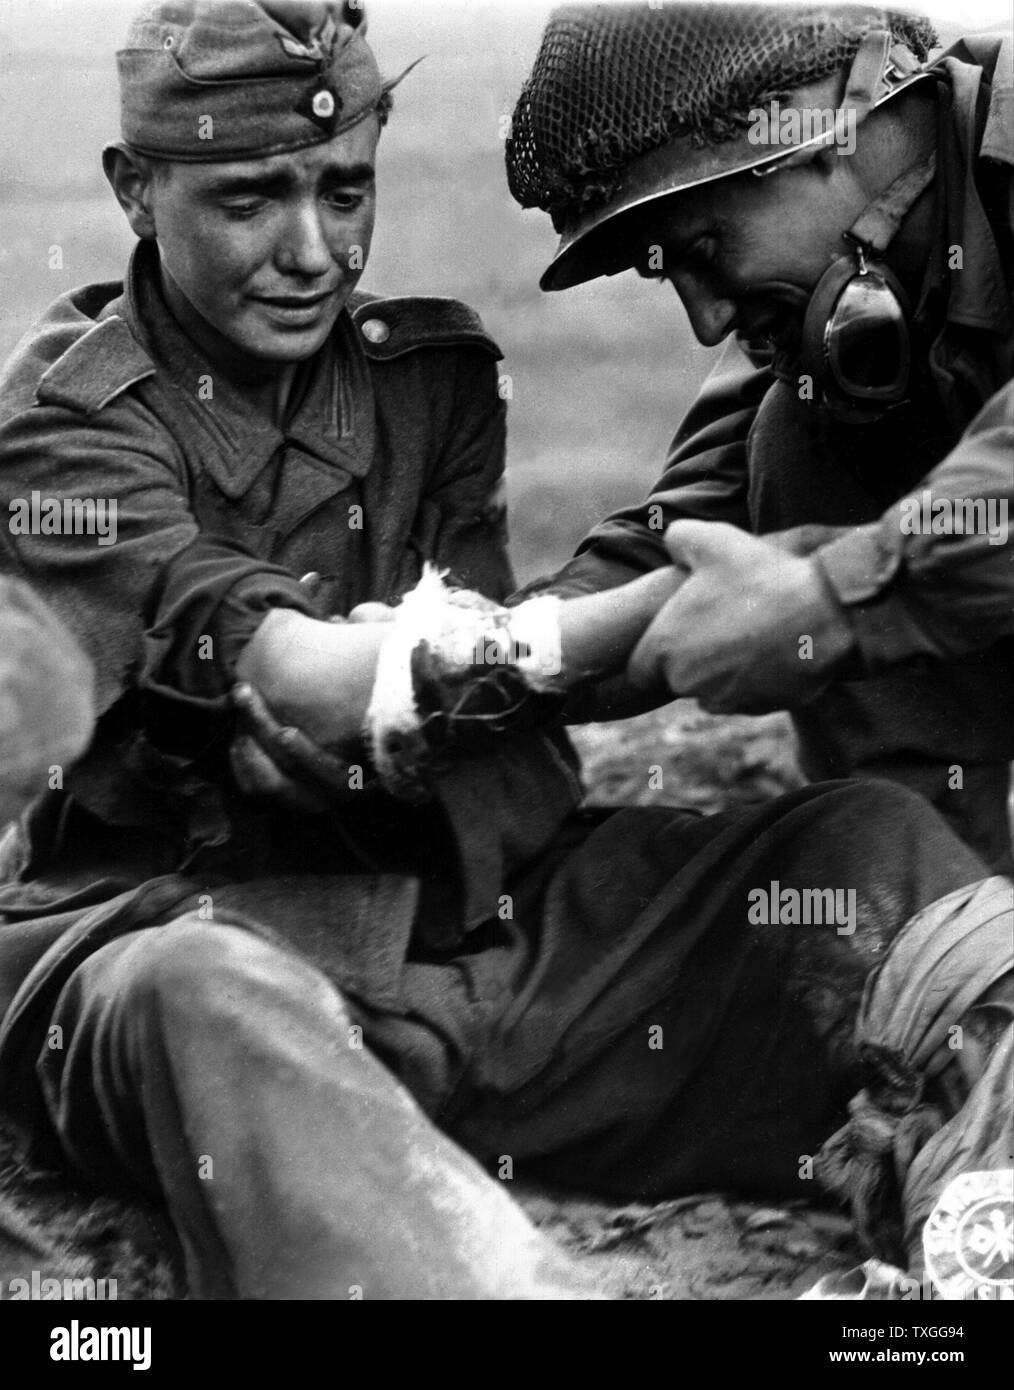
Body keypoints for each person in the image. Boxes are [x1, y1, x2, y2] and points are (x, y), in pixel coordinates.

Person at [0, 0, 999, 1299]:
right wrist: (481, 665)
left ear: (826, 143)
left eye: (342, 189)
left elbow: (512, 712)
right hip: (219, 948)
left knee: (864, 855)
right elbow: (604, 583)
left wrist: (802, 596)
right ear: (136, 190)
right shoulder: (59, 430)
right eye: (250, 200)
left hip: (496, 955)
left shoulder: (427, 383)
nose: (310, 250)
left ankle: (982, 1229)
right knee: (198, 991)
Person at [507, 1, 1014, 871]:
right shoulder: (822, 324)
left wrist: (830, 598)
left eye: (703, 248)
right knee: (797, 441)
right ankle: (956, 949)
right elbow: (689, 542)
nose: (707, 323)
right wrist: (460, 662)